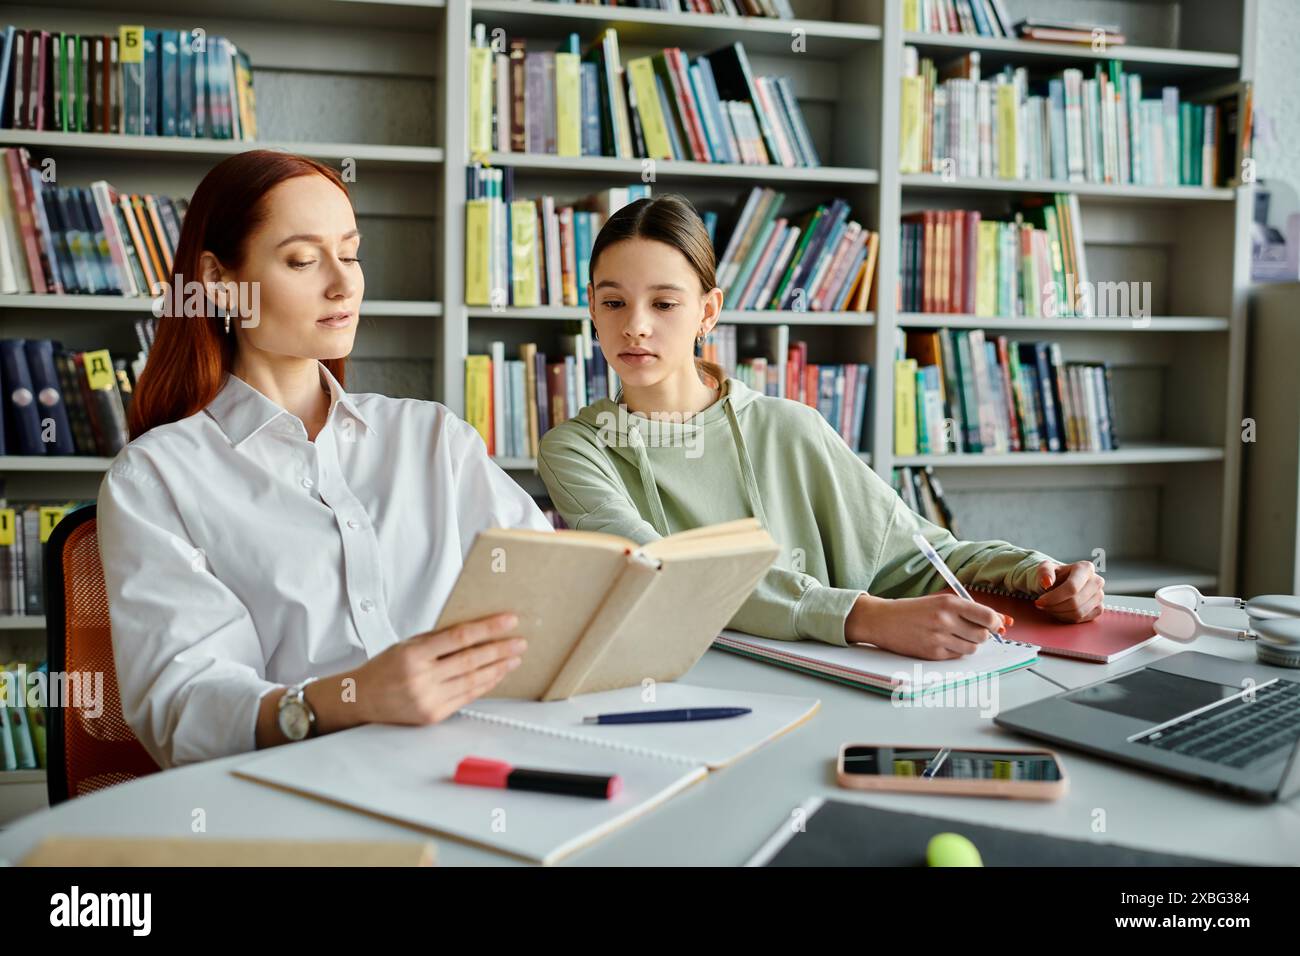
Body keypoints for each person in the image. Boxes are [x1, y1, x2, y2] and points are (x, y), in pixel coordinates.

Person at [98, 150, 549, 769]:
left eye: (352, 252)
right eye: (303, 260)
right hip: (294, 803)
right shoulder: (156, 479)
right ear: (221, 280)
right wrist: (351, 697)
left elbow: (551, 597)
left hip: (475, 768)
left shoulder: (434, 439)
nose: (343, 283)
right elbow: (186, 708)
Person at [538, 194, 1105, 661]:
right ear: (591, 306)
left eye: (664, 303)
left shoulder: (789, 428)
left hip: (826, 691)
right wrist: (866, 618)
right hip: (679, 690)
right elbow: (667, 573)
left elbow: (919, 559)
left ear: (708, 311)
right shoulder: (576, 450)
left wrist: (1037, 574)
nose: (634, 327)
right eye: (614, 302)